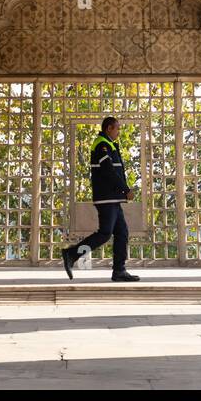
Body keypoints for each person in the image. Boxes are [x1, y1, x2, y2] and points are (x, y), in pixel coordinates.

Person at [61, 116, 140, 282]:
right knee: (105, 233)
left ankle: (119, 270)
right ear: (109, 128)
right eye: (117, 128)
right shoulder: (102, 145)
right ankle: (71, 254)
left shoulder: (109, 144)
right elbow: (109, 171)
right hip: (106, 198)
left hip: (113, 199)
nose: (119, 132)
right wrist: (125, 190)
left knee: (122, 233)